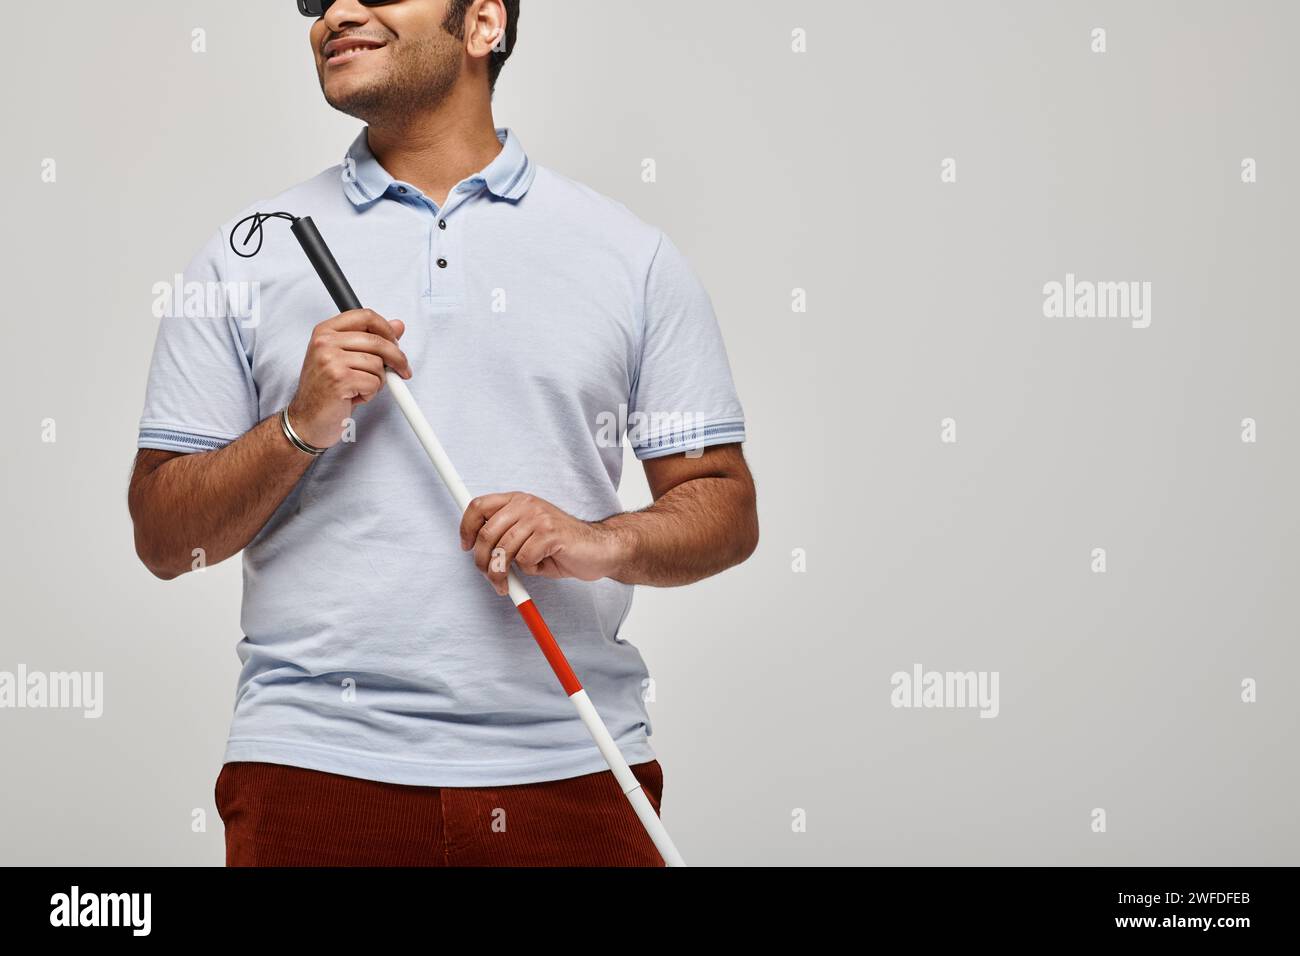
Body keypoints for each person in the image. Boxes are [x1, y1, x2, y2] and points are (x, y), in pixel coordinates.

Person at [128, 0, 757, 866]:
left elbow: (722, 506)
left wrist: (598, 541)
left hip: (577, 764)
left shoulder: (629, 255)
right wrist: (298, 426)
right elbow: (164, 537)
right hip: (316, 768)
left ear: (484, 21)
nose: (337, 11)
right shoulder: (245, 257)